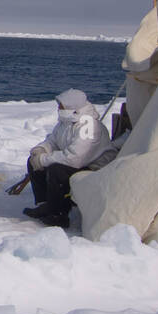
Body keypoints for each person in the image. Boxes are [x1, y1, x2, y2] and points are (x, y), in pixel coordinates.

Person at [22, 88, 110, 228]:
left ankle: (59, 214)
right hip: (76, 163)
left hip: (93, 168)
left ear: (72, 107)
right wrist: (41, 150)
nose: (59, 108)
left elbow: (75, 158)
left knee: (57, 170)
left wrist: (44, 159)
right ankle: (45, 204)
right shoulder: (66, 121)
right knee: (33, 161)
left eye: (61, 105)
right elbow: (53, 141)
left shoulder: (89, 126)